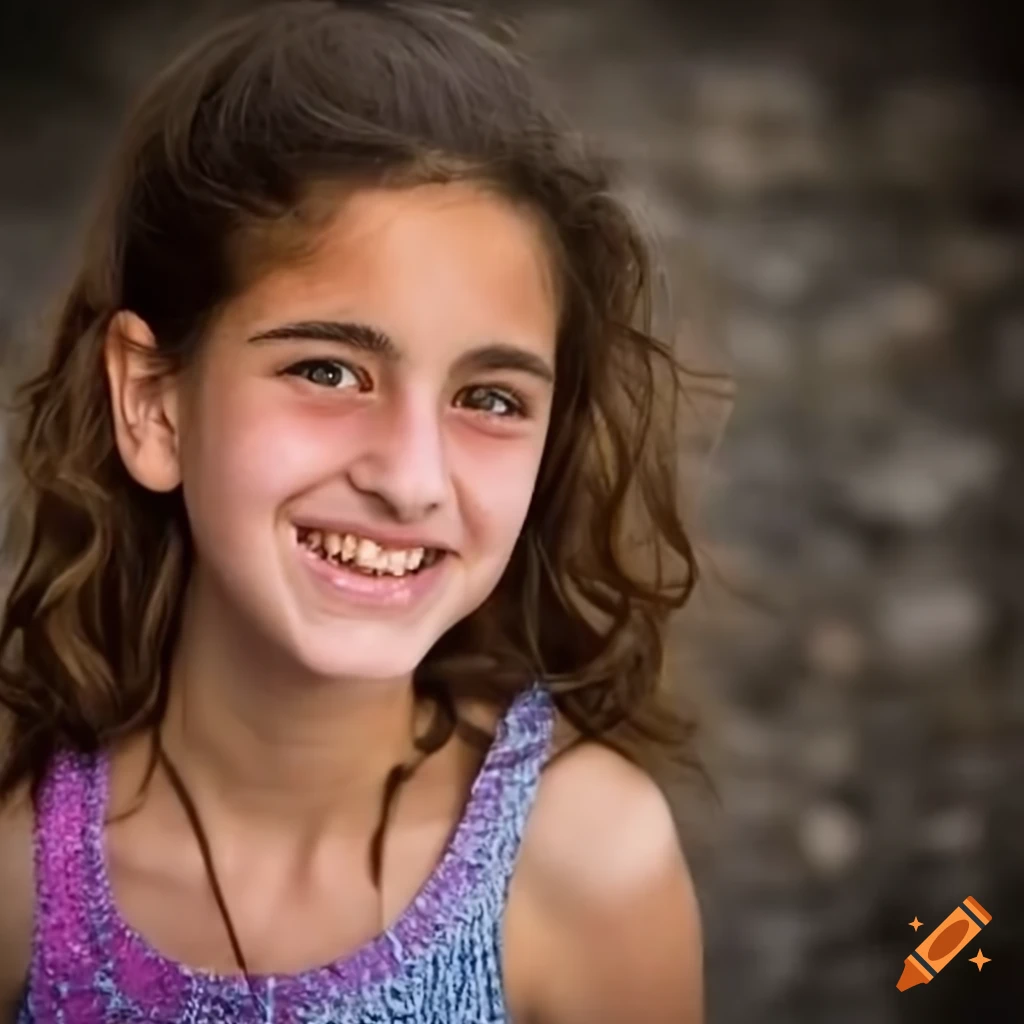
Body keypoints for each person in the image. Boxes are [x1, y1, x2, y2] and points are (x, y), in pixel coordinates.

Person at [0, 1, 706, 1020]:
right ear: (152, 403)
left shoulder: (586, 861)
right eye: (328, 370)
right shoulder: (22, 866)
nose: (411, 477)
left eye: (489, 399)